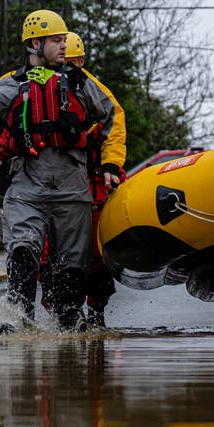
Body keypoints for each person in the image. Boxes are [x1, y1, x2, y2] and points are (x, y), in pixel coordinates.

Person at [0, 9, 116, 332]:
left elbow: (113, 120)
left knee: (73, 268)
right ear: (35, 44)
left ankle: (70, 326)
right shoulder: (8, 88)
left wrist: (110, 164)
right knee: (22, 252)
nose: (64, 46)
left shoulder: (81, 84)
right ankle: (18, 321)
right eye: (57, 41)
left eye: (64, 40)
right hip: (27, 189)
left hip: (72, 191)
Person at [60, 31, 126, 328]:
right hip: (59, 186)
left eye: (74, 64)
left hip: (94, 184)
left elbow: (115, 130)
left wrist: (110, 167)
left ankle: (96, 312)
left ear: (82, 61)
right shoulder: (43, 90)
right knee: (56, 256)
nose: (69, 70)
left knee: (97, 256)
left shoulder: (97, 94)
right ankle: (65, 315)